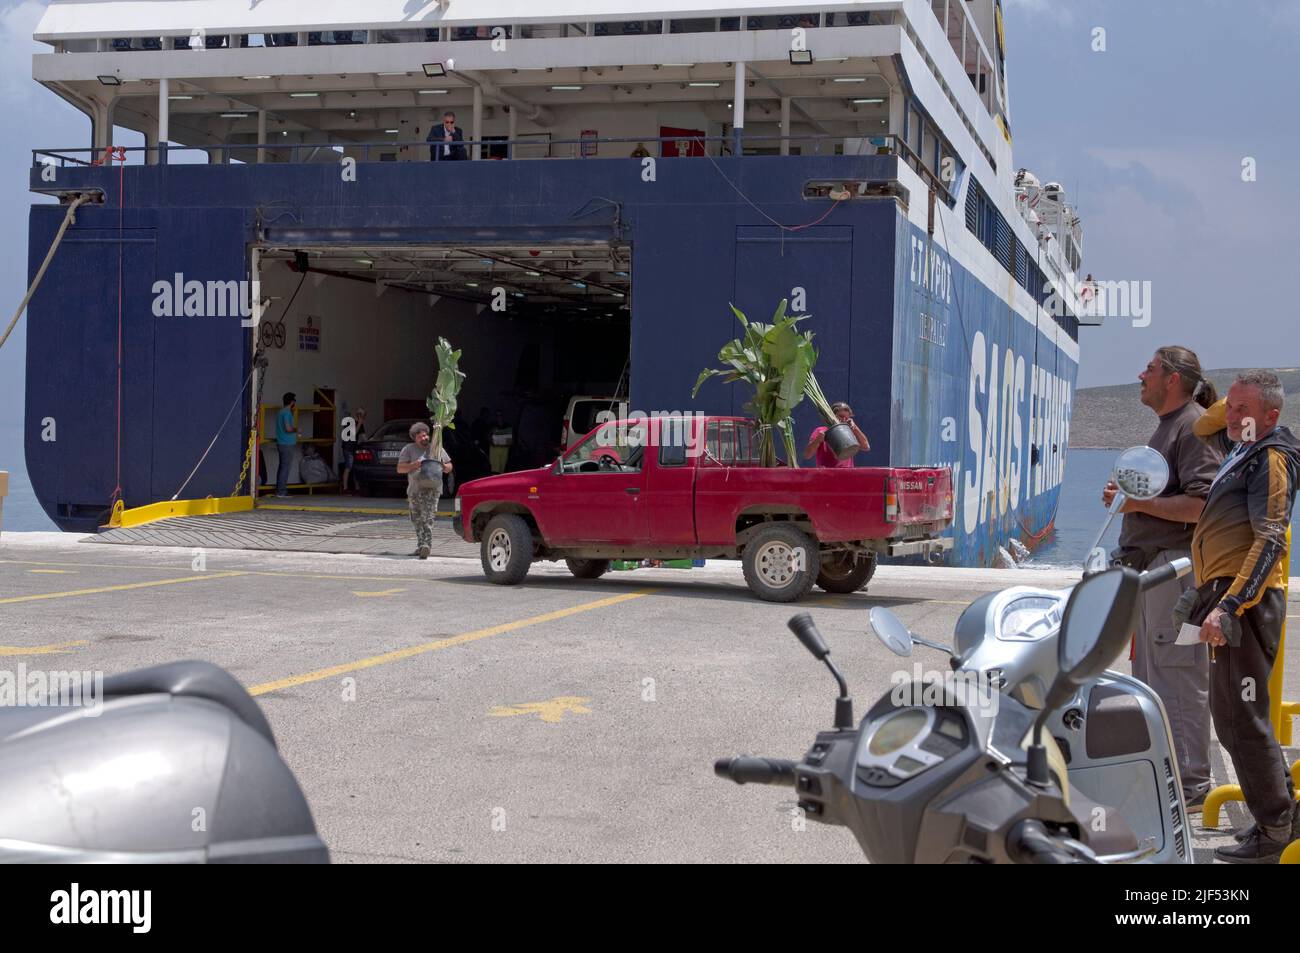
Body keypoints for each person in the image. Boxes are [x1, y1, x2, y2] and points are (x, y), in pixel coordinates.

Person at [1100, 347, 1221, 810]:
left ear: (1172, 379)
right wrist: (1127, 498)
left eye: (1149, 368)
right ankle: (1168, 775)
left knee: (1178, 676)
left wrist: (1137, 504)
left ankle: (1191, 784)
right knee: (1151, 679)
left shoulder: (1192, 426)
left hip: (1176, 570)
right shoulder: (1170, 427)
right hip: (1155, 570)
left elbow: (1201, 505)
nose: (1139, 374)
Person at [1187, 370, 1300, 862]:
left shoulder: (1272, 457)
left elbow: (1270, 537)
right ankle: (1279, 819)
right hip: (1225, 595)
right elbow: (1201, 427)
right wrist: (1235, 407)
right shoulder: (1245, 445)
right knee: (1234, 717)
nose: (1230, 418)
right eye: (1229, 407)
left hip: (1245, 605)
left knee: (1241, 719)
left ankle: (1276, 831)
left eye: (1243, 410)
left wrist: (1230, 605)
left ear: (1272, 416)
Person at [396, 422, 452, 559]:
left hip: (432, 488)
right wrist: (415, 464)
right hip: (415, 490)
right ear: (415, 438)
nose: (425, 438)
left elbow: (450, 466)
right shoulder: (408, 449)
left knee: (428, 517)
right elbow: (400, 468)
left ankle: (427, 545)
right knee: (416, 519)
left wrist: (444, 466)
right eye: (421, 436)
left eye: (426, 435)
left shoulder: (436, 448)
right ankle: (421, 545)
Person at [803, 402, 869, 467]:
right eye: (841, 416)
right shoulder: (821, 431)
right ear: (832, 415)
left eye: (846, 418)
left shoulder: (849, 431)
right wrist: (817, 441)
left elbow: (866, 447)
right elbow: (807, 455)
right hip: (826, 474)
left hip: (847, 474)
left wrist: (855, 428)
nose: (843, 420)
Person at [339, 406, 367, 495]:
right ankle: (345, 488)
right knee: (348, 466)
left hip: (354, 448)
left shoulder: (360, 424)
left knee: (355, 468)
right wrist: (359, 423)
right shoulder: (350, 421)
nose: (361, 416)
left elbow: (364, 437)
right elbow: (353, 433)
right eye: (360, 414)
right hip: (348, 447)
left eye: (362, 415)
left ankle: (357, 488)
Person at [274, 392, 298, 497]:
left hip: (281, 442)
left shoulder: (280, 412)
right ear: (292, 402)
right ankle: (282, 491)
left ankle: (279, 489)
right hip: (287, 444)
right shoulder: (287, 413)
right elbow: (288, 429)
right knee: (285, 467)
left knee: (282, 467)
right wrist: (297, 429)